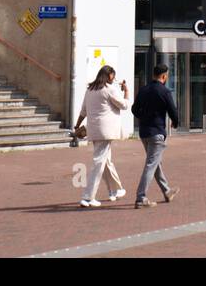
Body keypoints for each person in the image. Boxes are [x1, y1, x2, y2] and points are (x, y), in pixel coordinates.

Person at [74, 65, 128, 207]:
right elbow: (124, 105)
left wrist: (76, 125)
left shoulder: (90, 90)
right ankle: (88, 197)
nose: (114, 79)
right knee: (99, 162)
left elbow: (83, 111)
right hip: (106, 131)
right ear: (108, 75)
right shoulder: (109, 89)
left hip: (93, 130)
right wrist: (126, 91)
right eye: (113, 76)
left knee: (106, 161)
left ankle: (115, 190)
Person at [130, 64, 180, 208]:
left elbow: (134, 109)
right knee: (151, 164)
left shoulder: (144, 89)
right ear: (164, 76)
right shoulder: (164, 91)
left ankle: (167, 191)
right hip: (156, 132)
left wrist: (143, 117)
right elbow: (173, 110)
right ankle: (141, 197)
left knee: (155, 162)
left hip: (144, 132)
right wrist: (175, 123)